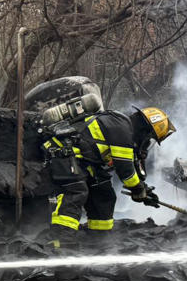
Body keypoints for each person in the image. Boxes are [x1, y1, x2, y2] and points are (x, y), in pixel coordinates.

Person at [43, 106, 176, 249]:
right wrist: (138, 189)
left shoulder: (125, 129)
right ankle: (60, 243)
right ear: (145, 130)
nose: (148, 143)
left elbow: (133, 168)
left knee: (105, 195)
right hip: (62, 153)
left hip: (84, 161)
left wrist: (145, 191)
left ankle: (98, 240)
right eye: (149, 138)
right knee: (77, 192)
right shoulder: (122, 130)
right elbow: (126, 171)